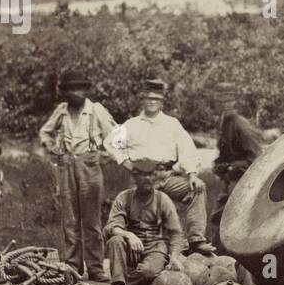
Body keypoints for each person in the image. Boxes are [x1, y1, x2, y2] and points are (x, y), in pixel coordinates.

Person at [104, 77, 211, 255]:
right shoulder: (131, 125)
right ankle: (135, 250)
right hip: (141, 179)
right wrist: (125, 161)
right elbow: (109, 142)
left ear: (162, 101)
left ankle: (196, 240)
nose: (152, 102)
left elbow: (187, 149)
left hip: (166, 176)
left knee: (199, 189)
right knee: (135, 212)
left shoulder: (172, 124)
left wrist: (192, 174)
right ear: (142, 99)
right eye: (148, 98)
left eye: (156, 99)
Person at [37, 69, 117, 281]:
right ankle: (73, 266)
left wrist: (104, 156)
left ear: (85, 90)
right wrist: (53, 148)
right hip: (65, 166)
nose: (76, 93)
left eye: (80, 89)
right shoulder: (61, 111)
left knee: (91, 220)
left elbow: (116, 138)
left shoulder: (96, 110)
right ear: (64, 92)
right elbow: (45, 132)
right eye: (71, 89)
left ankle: (96, 268)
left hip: (89, 166)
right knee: (70, 220)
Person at [104, 158, 187, 285]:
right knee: (115, 240)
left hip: (155, 246)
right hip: (132, 246)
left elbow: (176, 233)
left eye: (150, 175)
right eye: (143, 175)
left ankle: (129, 284)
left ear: (155, 176)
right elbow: (110, 227)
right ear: (134, 177)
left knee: (148, 272)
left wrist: (174, 256)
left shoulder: (163, 200)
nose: (148, 179)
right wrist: (129, 235)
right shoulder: (124, 198)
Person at [210, 82, 266, 246]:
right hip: (232, 180)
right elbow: (226, 152)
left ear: (234, 102)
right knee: (218, 220)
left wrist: (232, 167)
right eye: (220, 101)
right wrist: (219, 165)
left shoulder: (241, 125)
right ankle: (218, 257)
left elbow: (257, 159)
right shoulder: (224, 122)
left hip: (245, 181)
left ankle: (234, 257)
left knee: (235, 222)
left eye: (228, 101)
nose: (224, 105)